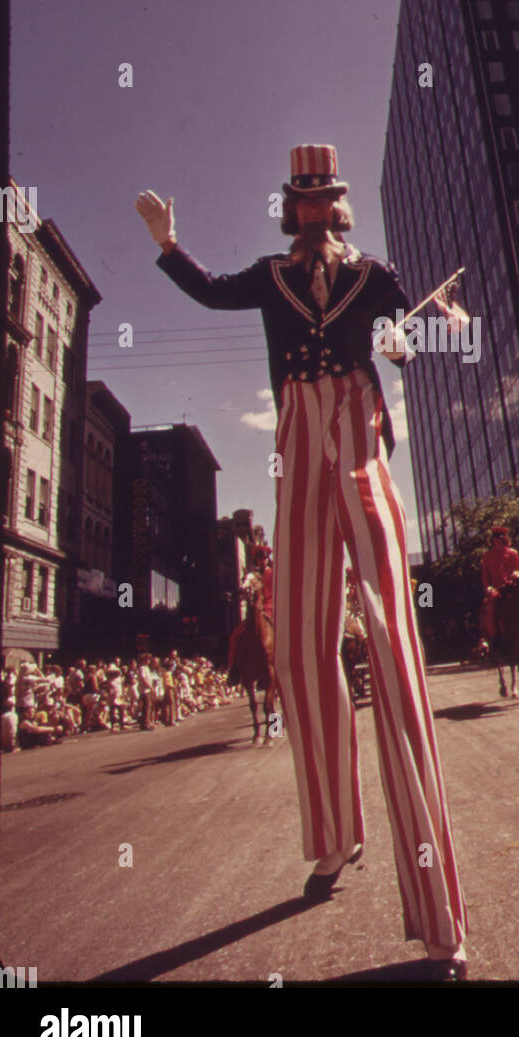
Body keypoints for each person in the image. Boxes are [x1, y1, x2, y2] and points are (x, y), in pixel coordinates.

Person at [136, 144, 468, 979]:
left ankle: (439, 920)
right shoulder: (269, 276)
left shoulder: (375, 273)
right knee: (299, 652)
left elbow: (410, 336)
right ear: (291, 211)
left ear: (340, 210)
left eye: (326, 202)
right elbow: (212, 294)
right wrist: (169, 245)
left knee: (393, 643)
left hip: (358, 434)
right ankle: (333, 835)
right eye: (304, 203)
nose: (316, 214)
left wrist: (406, 342)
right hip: (294, 436)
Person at [480, 526, 519, 641]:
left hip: (513, 585)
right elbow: (485, 577)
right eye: (495, 538)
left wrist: (516, 574)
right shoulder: (487, 556)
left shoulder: (513, 553)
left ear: (504, 538)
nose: (498, 540)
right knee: (491, 608)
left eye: (500, 537)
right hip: (498, 589)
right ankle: (494, 636)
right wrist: (489, 588)